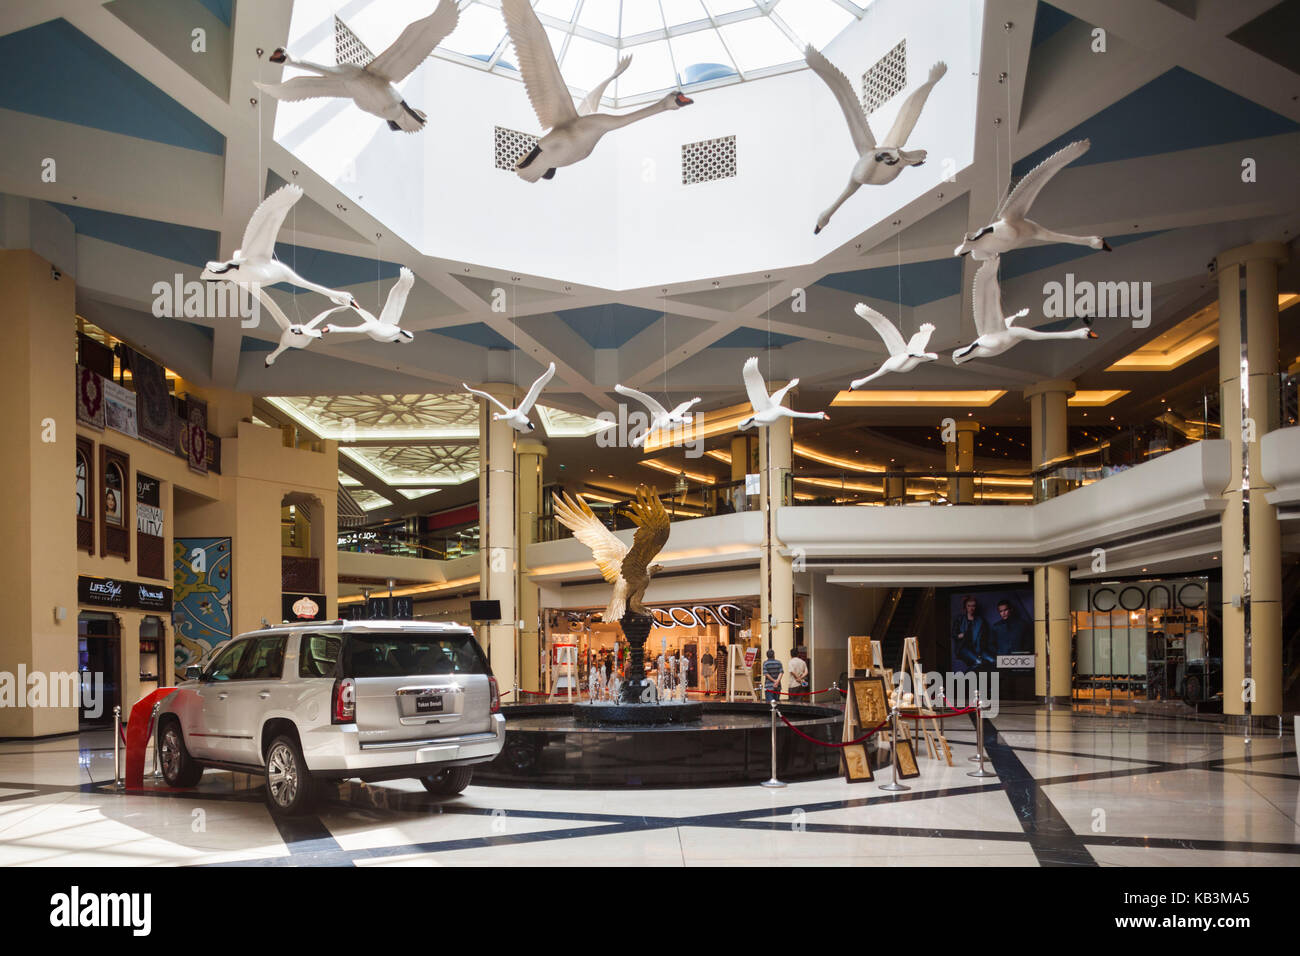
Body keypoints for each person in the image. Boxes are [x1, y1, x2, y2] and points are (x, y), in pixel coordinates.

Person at [951, 595, 986, 673]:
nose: (971, 608)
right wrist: (960, 635)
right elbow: (953, 634)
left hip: (976, 647)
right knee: (979, 662)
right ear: (966, 607)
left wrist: (980, 652)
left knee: (990, 661)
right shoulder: (960, 619)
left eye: (973, 606)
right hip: (963, 648)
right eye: (969, 606)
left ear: (976, 607)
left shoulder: (980, 621)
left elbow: (982, 638)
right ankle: (965, 677)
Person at [987, 598, 1028, 665]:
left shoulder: (1022, 624)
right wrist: (999, 653)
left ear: (1011, 609)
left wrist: (1021, 654)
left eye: (1005, 610)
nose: (1003, 613)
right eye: (1001, 611)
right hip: (1002, 660)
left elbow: (1028, 643)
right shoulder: (996, 627)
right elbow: (990, 644)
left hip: (1019, 660)